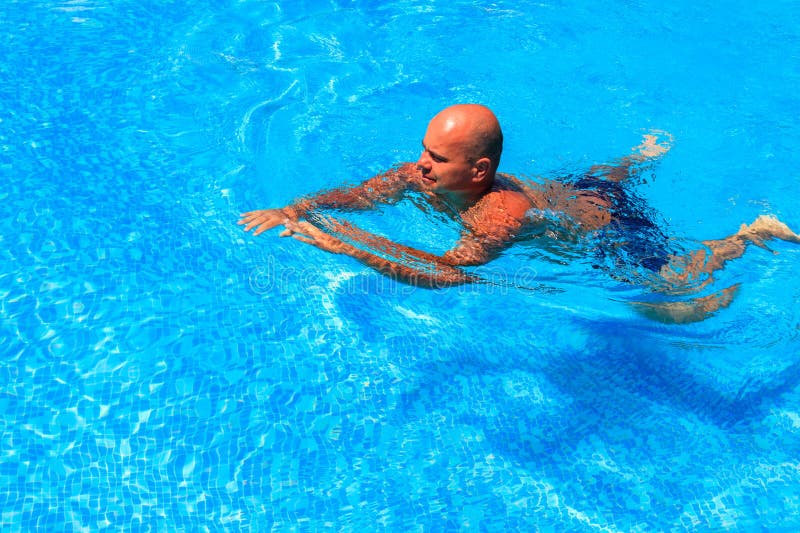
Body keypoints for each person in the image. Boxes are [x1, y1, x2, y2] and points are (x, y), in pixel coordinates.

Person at [238, 104, 800, 322]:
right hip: (572, 192)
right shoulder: (422, 175)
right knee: (597, 180)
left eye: (436, 158)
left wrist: (347, 246)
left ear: (479, 171)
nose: (420, 166)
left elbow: (449, 272)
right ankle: (639, 156)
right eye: (424, 150)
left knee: (673, 305)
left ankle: (750, 235)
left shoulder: (497, 216)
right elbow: (359, 195)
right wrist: (295, 207)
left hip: (611, 235)